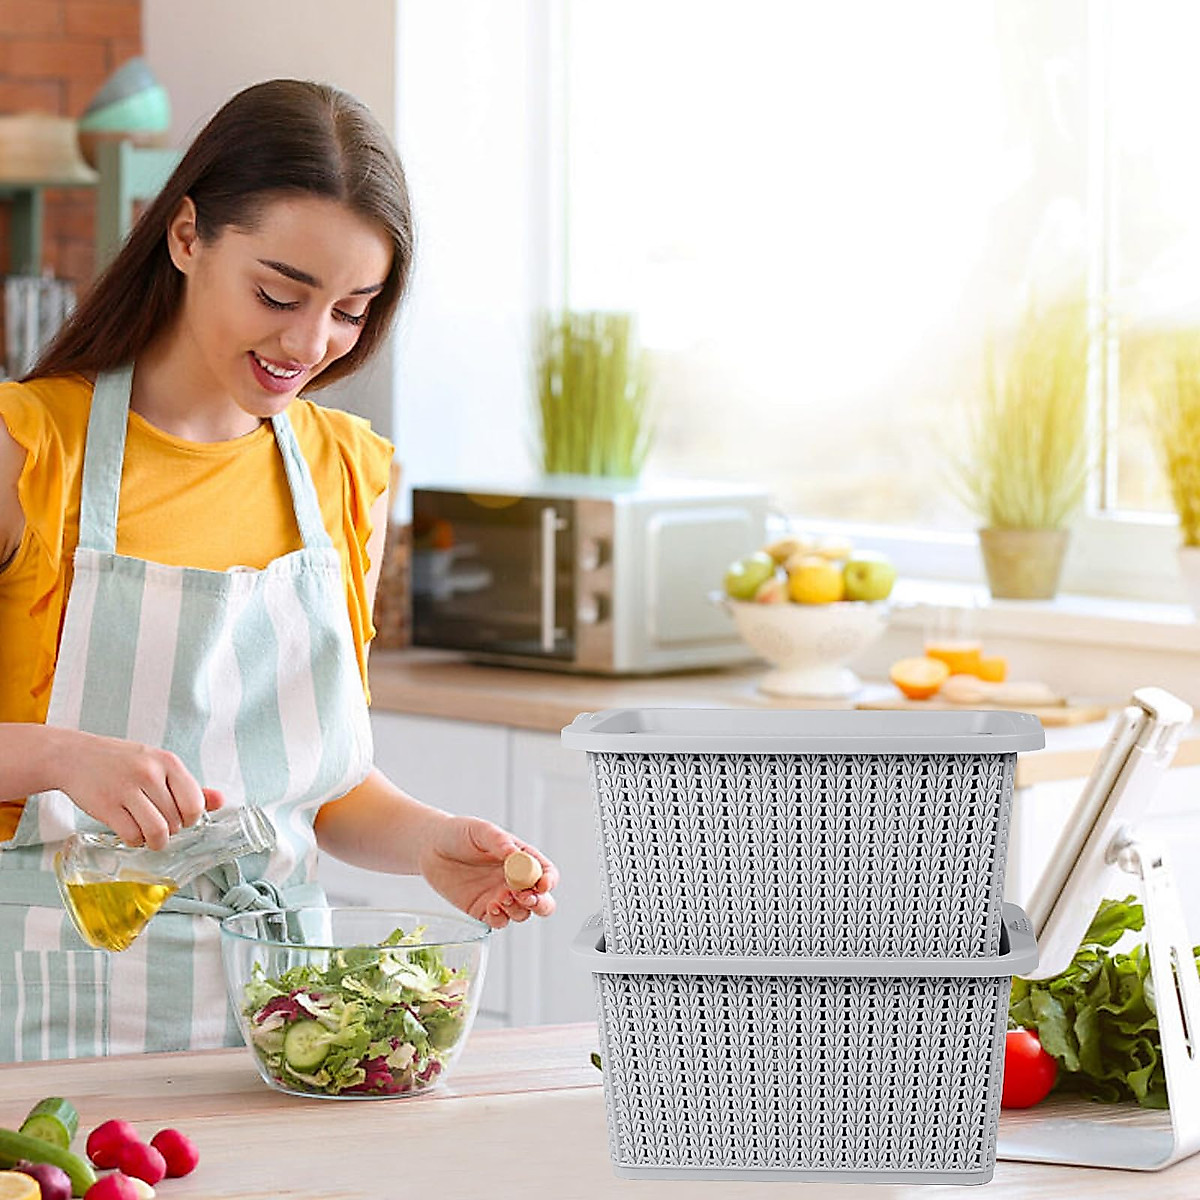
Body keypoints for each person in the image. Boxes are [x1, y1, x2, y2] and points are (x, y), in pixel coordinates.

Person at [0, 79, 558, 1060]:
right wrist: (55, 757)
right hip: (47, 1026)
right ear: (185, 237)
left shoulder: (348, 476)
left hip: (282, 1027)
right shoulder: (27, 452)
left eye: (352, 309)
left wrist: (429, 842)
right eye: (277, 293)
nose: (309, 344)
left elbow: (318, 786)